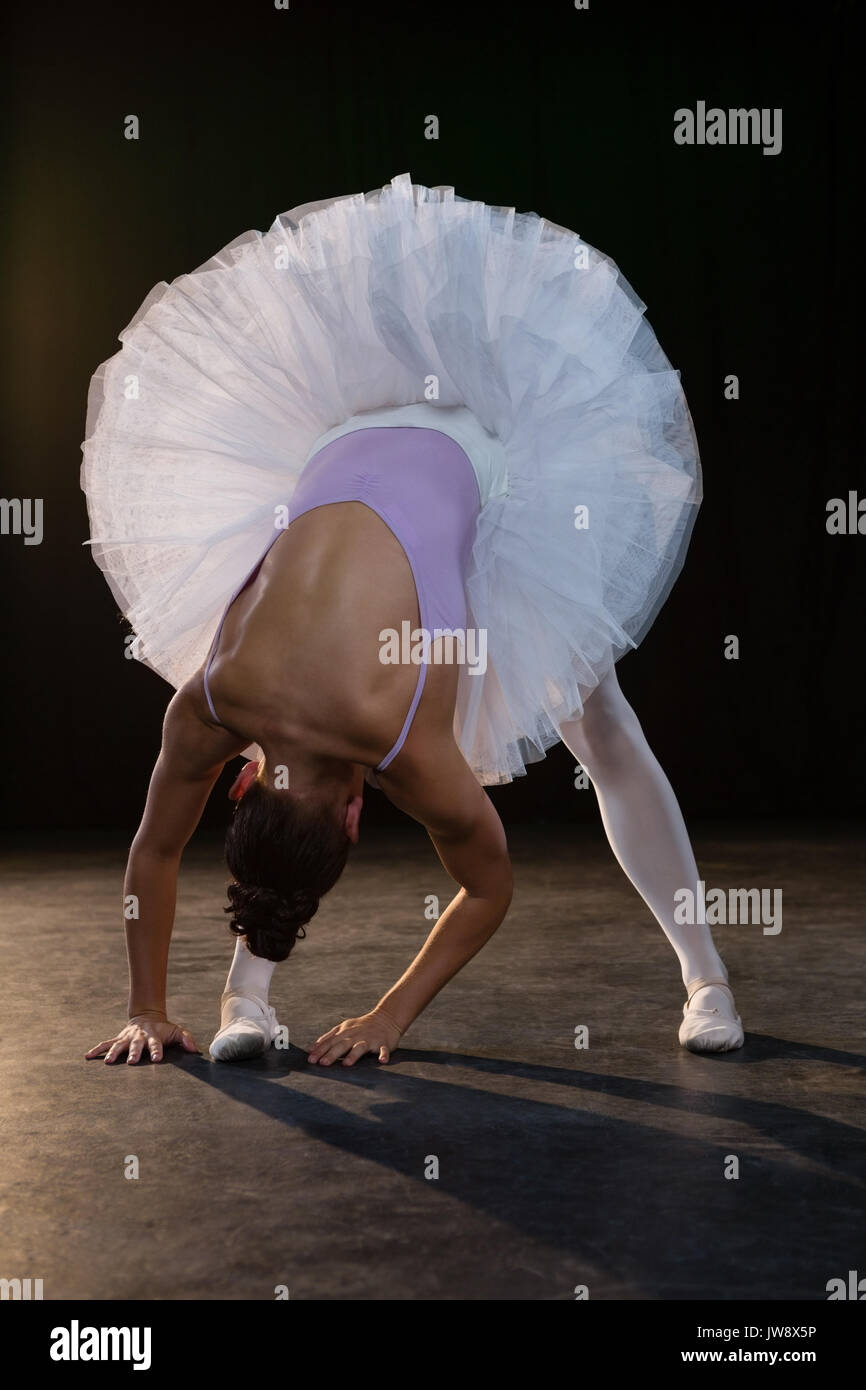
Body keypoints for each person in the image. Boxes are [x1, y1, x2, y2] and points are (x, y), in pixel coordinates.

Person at [81, 174, 743, 1069]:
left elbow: (487, 885)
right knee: (301, 787)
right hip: (340, 442)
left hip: (492, 440)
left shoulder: (400, 744)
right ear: (246, 785)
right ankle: (245, 996)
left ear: (355, 819)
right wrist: (144, 1005)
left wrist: (382, 1018)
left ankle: (707, 975)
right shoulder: (216, 703)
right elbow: (158, 850)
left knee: (600, 721)